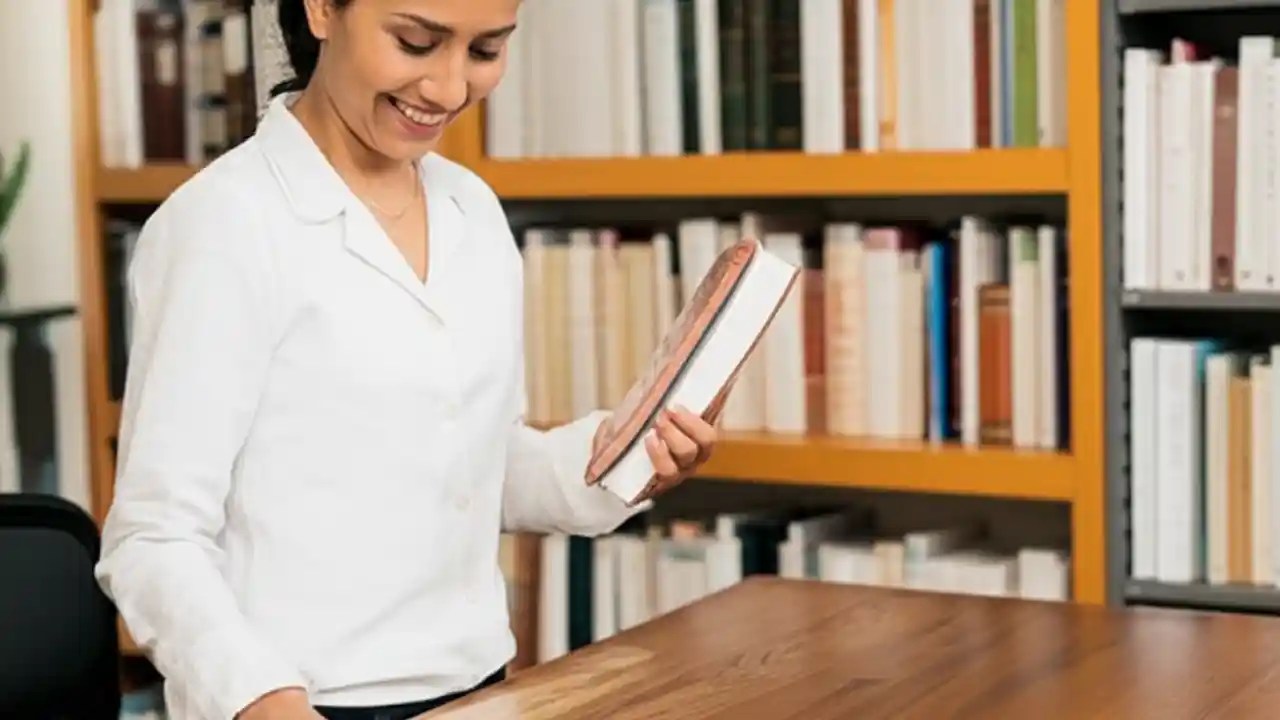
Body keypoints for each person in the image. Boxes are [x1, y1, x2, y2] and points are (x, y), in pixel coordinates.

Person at [94, 1, 724, 718]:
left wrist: (624, 458)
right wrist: (261, 697)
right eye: (417, 42)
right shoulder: (224, 224)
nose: (450, 89)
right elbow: (154, 536)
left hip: (481, 688)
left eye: (485, 51)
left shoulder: (472, 210)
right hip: (300, 704)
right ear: (323, 9)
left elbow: (474, 463)